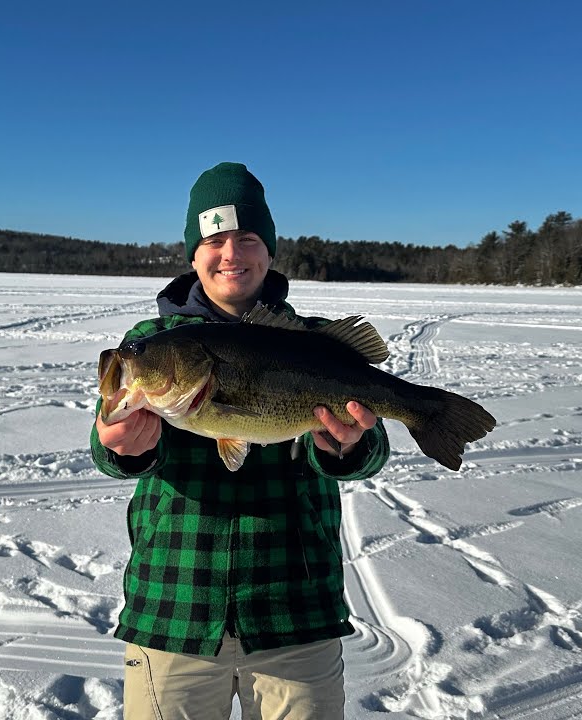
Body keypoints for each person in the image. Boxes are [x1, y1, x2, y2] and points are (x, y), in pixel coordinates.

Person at [91, 162, 390, 719]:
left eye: (247, 238)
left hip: (295, 610)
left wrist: (346, 447)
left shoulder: (314, 343)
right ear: (193, 255)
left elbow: (372, 450)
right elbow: (106, 442)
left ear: (269, 251)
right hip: (174, 606)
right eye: (214, 240)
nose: (231, 254)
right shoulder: (150, 341)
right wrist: (119, 446)